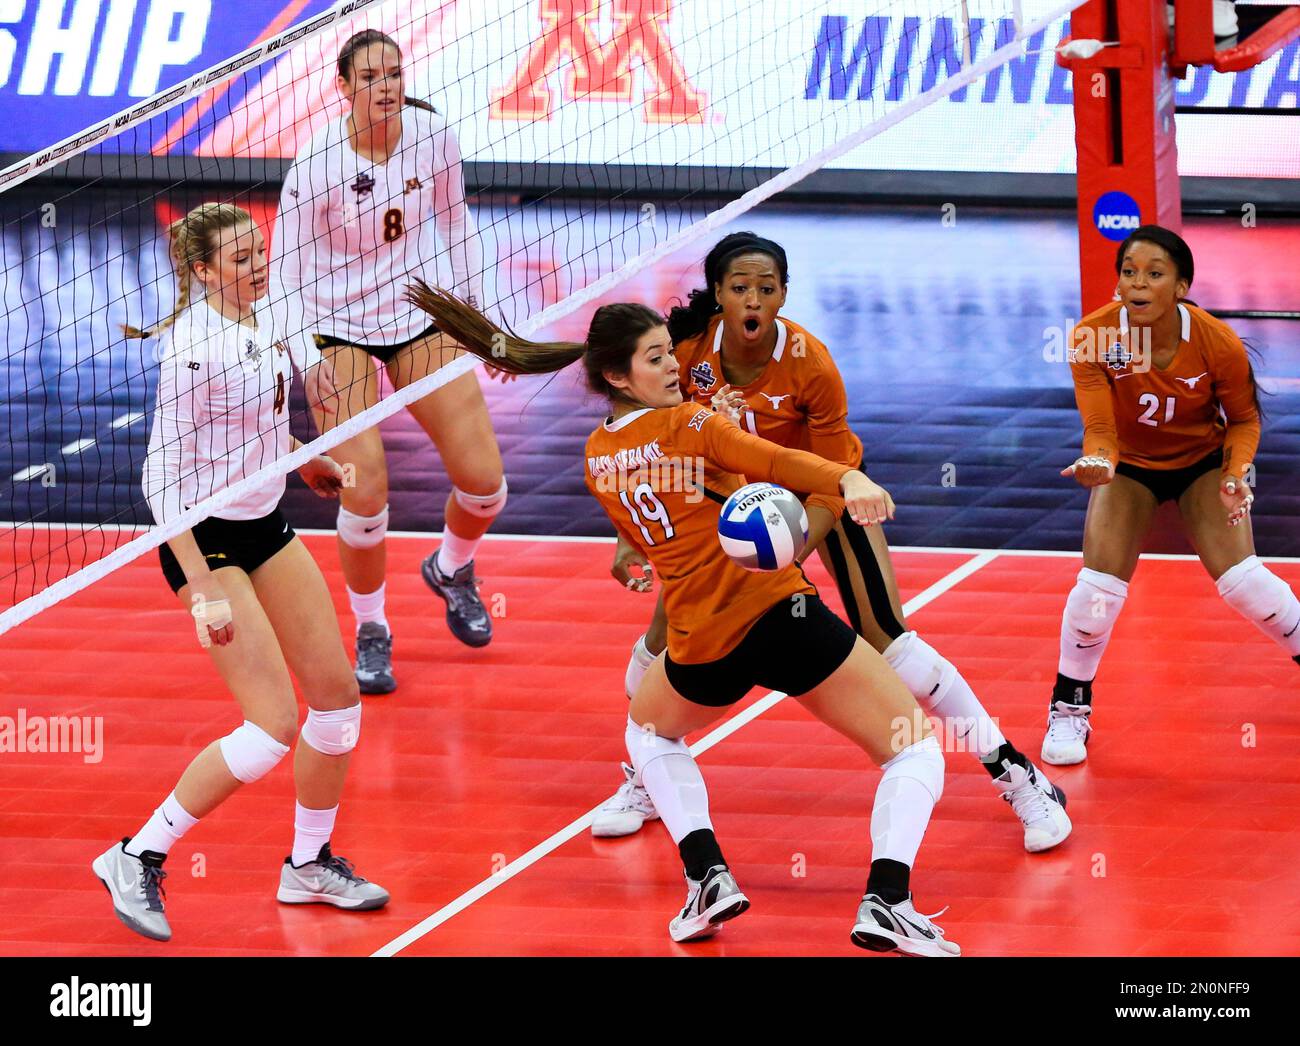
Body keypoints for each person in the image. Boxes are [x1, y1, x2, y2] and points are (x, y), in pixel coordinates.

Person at [408, 282, 959, 955]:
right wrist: (846, 479)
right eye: (655, 358)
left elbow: (672, 505)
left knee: (647, 730)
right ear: (619, 376)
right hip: (780, 616)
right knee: (913, 748)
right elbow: (775, 462)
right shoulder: (691, 426)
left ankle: (706, 877)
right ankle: (889, 901)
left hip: (700, 642)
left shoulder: (597, 457)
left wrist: (711, 435)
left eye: (670, 352)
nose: (673, 365)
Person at [593, 232, 1069, 853]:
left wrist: (787, 546)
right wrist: (629, 538)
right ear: (719, 295)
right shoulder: (682, 355)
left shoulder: (810, 364)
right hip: (733, 509)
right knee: (659, 648)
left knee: (890, 643)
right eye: (740, 288)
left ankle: (1017, 776)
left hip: (827, 490)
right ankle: (647, 776)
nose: (753, 300)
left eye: (766, 288)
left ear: (784, 294)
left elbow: (832, 472)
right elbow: (641, 454)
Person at [95, 203, 388, 942]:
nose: (259, 266)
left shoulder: (276, 308)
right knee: (272, 727)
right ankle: (136, 854)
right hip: (202, 536)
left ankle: (308, 864)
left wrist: (304, 459)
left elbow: (262, 421)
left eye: (260, 251)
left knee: (338, 705)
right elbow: (163, 480)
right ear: (202, 271)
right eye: (240, 259)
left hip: (262, 523)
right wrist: (200, 588)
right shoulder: (195, 350)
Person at [270, 28, 507, 694]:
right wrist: (304, 359)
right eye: (370, 77)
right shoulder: (317, 163)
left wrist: (481, 321)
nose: (386, 87)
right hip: (333, 327)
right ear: (343, 87)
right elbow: (283, 274)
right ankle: (372, 628)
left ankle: (451, 567)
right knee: (365, 488)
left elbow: (456, 226)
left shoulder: (433, 137)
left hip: (414, 312)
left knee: (486, 483)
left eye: (394, 74)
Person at [1047, 224, 1298, 765]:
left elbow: (1244, 420)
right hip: (1131, 467)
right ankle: (1069, 708)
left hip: (1200, 463)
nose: (1137, 283)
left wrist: (1235, 474)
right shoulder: (1095, 336)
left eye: (1154, 274)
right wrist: (1098, 462)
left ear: (1181, 286)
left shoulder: (1216, 342)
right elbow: (1100, 429)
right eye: (1129, 272)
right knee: (1095, 594)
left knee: (1248, 586)